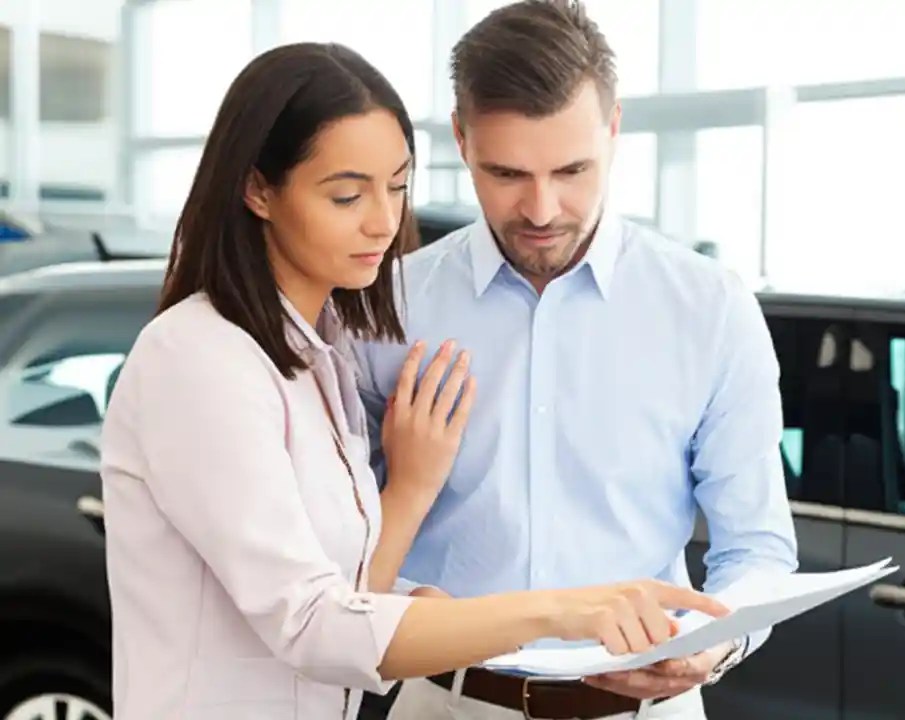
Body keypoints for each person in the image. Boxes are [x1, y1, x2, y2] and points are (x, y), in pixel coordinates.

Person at [98, 42, 728, 720]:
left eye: (398, 186)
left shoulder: (321, 362)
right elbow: (311, 621)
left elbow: (348, 594)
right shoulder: (198, 360)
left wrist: (413, 527)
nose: (383, 220)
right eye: (347, 195)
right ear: (257, 189)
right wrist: (562, 611)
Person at [353, 2, 799, 718]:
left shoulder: (709, 307)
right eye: (506, 173)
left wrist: (710, 643)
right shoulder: (383, 309)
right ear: (462, 140)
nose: (541, 207)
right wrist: (405, 606)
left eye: (572, 169)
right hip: (447, 702)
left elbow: (759, 551)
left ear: (614, 129)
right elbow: (340, 554)